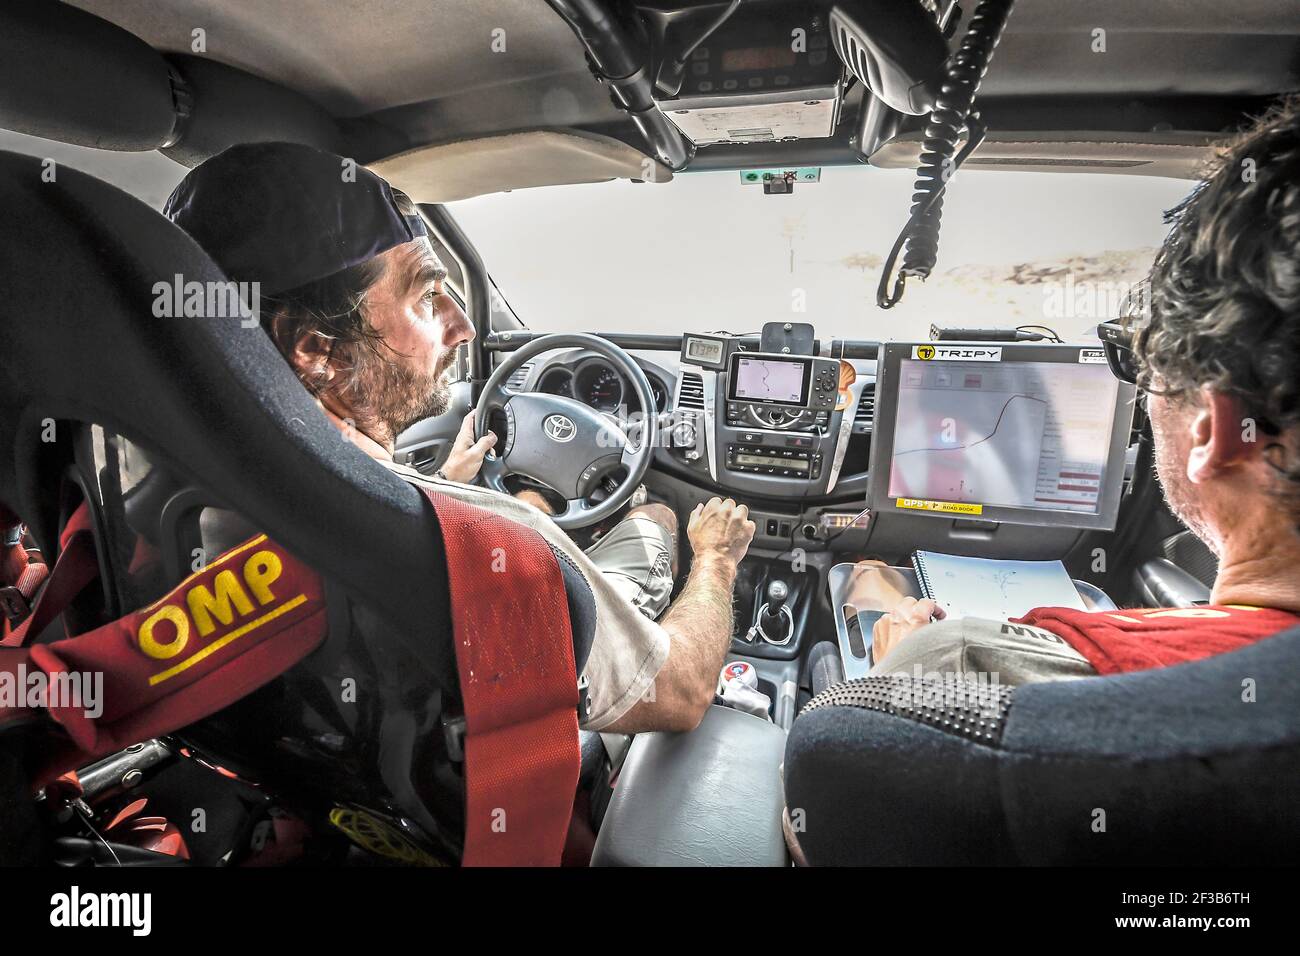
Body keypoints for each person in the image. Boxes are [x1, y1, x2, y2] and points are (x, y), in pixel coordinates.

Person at [164, 141, 754, 734]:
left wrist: (443, 488)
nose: (464, 325)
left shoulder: (165, 492)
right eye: (425, 296)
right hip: (546, 775)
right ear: (317, 350)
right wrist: (717, 559)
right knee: (657, 516)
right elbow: (681, 691)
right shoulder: (485, 545)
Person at [859, 97, 1300, 686]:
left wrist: (899, 665)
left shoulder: (961, 664)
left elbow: (832, 753)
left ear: (1215, 434)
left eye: (1134, 363)